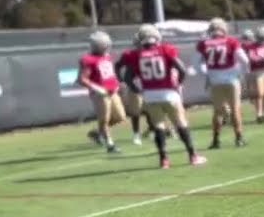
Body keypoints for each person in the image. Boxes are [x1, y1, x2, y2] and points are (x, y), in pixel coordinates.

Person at [117, 25, 207, 169]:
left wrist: (137, 89)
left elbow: (127, 75)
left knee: (158, 126)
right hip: (169, 93)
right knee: (181, 123)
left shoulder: (135, 55)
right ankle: (193, 156)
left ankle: (164, 160)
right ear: (156, 37)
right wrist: (178, 84)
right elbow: (182, 69)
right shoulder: (165, 50)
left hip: (150, 95)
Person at [196, 17, 249, 149]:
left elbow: (195, 63)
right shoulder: (231, 41)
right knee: (235, 109)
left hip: (215, 80)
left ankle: (216, 140)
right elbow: (244, 60)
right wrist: (242, 72)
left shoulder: (204, 43)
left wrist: (207, 73)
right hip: (231, 79)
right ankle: (239, 138)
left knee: (218, 111)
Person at [77, 31, 126, 153]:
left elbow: (109, 74)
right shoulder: (89, 59)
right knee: (104, 119)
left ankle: (98, 133)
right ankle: (110, 144)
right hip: (100, 93)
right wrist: (98, 89)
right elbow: (82, 79)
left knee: (120, 116)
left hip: (112, 91)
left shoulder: (107, 56)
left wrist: (117, 84)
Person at [243, 26, 264, 123]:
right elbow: (252, 57)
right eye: (263, 39)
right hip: (257, 72)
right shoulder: (252, 46)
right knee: (260, 94)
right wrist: (263, 59)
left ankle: (263, 111)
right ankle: (259, 114)